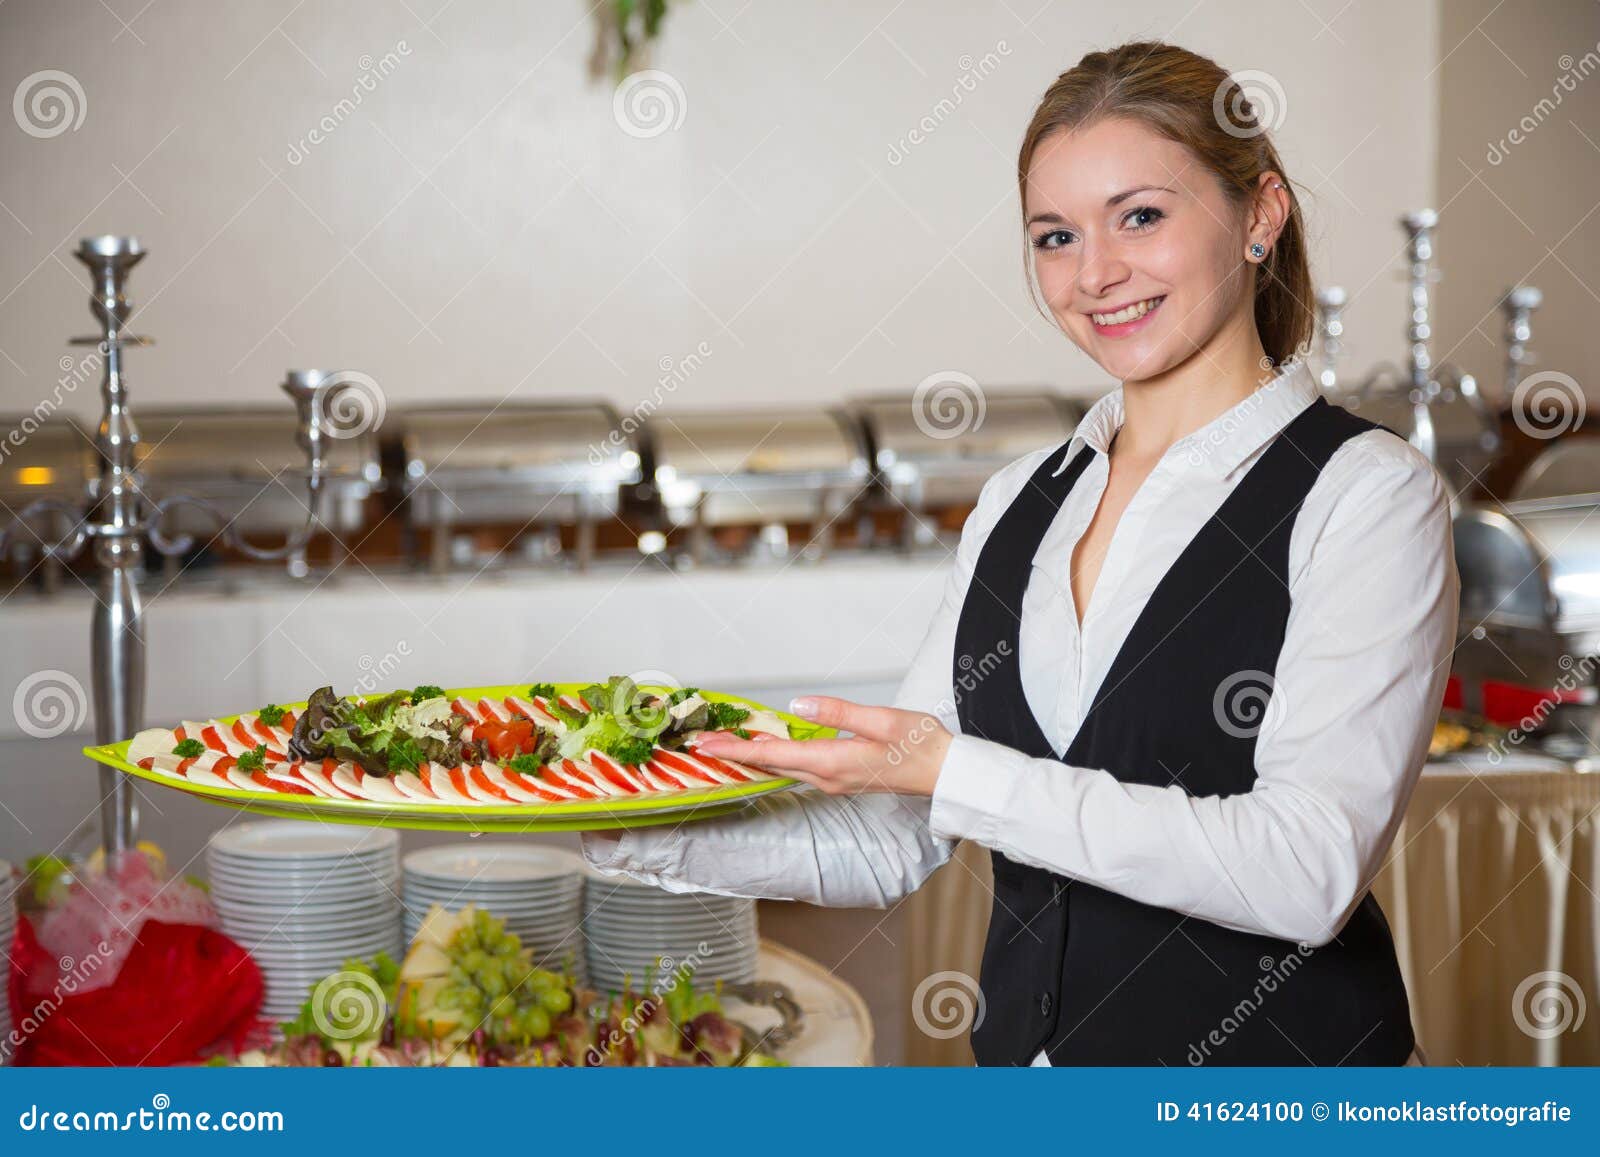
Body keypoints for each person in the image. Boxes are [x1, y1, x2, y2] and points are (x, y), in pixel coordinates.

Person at [583, 39, 1458, 1066]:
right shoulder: (1018, 502)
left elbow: (1303, 872)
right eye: (1053, 235)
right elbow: (889, 835)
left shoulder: (1364, 494)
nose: (1095, 273)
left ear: (1259, 213)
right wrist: (609, 816)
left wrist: (948, 765)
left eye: (1141, 215)